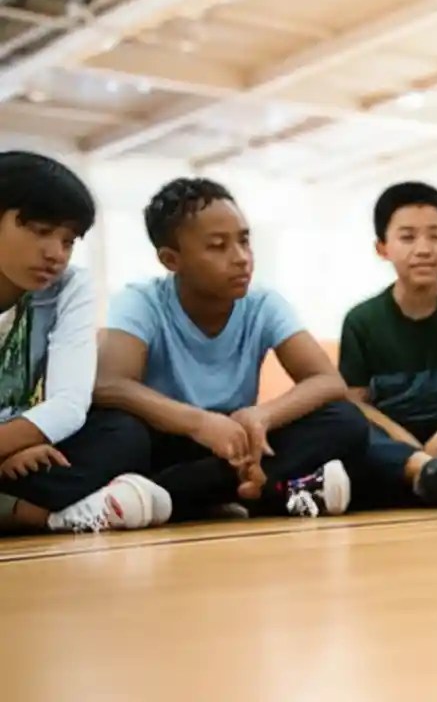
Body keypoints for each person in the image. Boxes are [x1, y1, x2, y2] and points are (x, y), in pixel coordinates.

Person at [94, 178, 368, 521]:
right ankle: (264, 491)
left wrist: (262, 414)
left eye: (244, 240)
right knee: (120, 433)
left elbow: (328, 381)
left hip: (237, 443)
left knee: (346, 421)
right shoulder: (141, 301)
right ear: (170, 259)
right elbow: (108, 384)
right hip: (170, 438)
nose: (241, 258)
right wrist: (197, 423)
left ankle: (180, 497)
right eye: (218, 246)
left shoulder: (263, 303)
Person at [0, 151, 169, 533]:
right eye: (41, 231)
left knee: (122, 432)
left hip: (20, 443)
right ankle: (51, 516)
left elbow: (69, 404)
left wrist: (12, 444)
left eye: (68, 240)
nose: (56, 254)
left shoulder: (69, 287)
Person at [339, 181, 437, 510]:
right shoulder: (361, 321)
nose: (423, 249)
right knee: (341, 425)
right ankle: (433, 478)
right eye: (407, 237)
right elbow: (356, 407)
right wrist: (407, 447)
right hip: (389, 450)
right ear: (382, 247)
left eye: (435, 236)